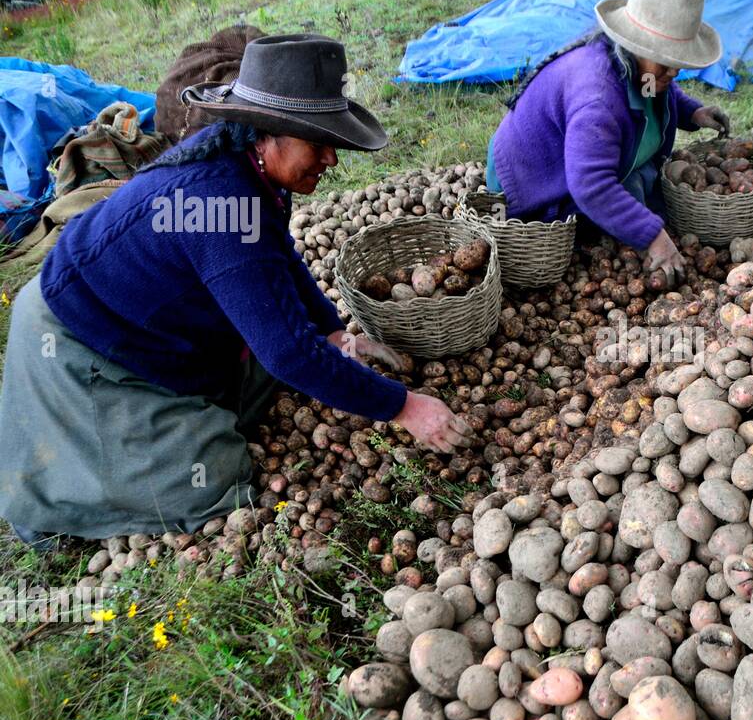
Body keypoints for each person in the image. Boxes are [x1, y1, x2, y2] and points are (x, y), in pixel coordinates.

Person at [0, 34, 469, 546]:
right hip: (79, 344)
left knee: (286, 359)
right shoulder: (222, 207)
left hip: (151, 323)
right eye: (317, 143)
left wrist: (333, 333)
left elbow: (280, 257)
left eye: (332, 143)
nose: (331, 160)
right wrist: (404, 407)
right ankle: (53, 501)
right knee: (214, 476)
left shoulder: (252, 169)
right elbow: (290, 354)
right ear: (267, 134)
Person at [486, 0, 730, 282]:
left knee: (643, 194)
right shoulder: (597, 98)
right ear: (636, 45)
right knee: (620, 215)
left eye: (678, 63)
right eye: (666, 62)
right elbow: (591, 184)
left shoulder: (639, 68)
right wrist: (653, 237)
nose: (674, 72)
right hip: (533, 179)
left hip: (580, 161)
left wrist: (693, 113)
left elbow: (658, 91)